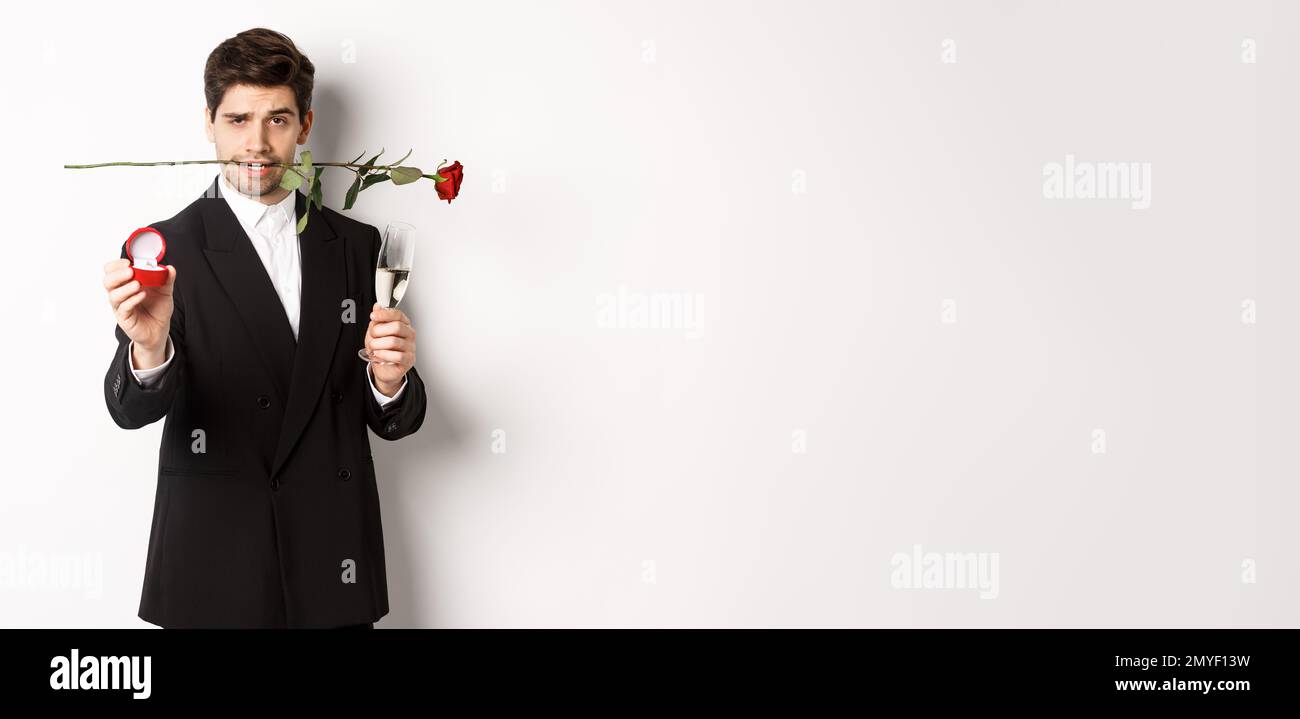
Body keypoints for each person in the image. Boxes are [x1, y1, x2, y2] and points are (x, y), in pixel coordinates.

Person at [101, 28, 426, 628]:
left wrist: (390, 381)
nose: (256, 143)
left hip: (333, 564)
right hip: (213, 569)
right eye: (238, 119)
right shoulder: (163, 247)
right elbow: (129, 410)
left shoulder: (358, 246)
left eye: (277, 120)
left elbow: (394, 421)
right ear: (208, 123)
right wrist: (149, 349)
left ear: (305, 126)